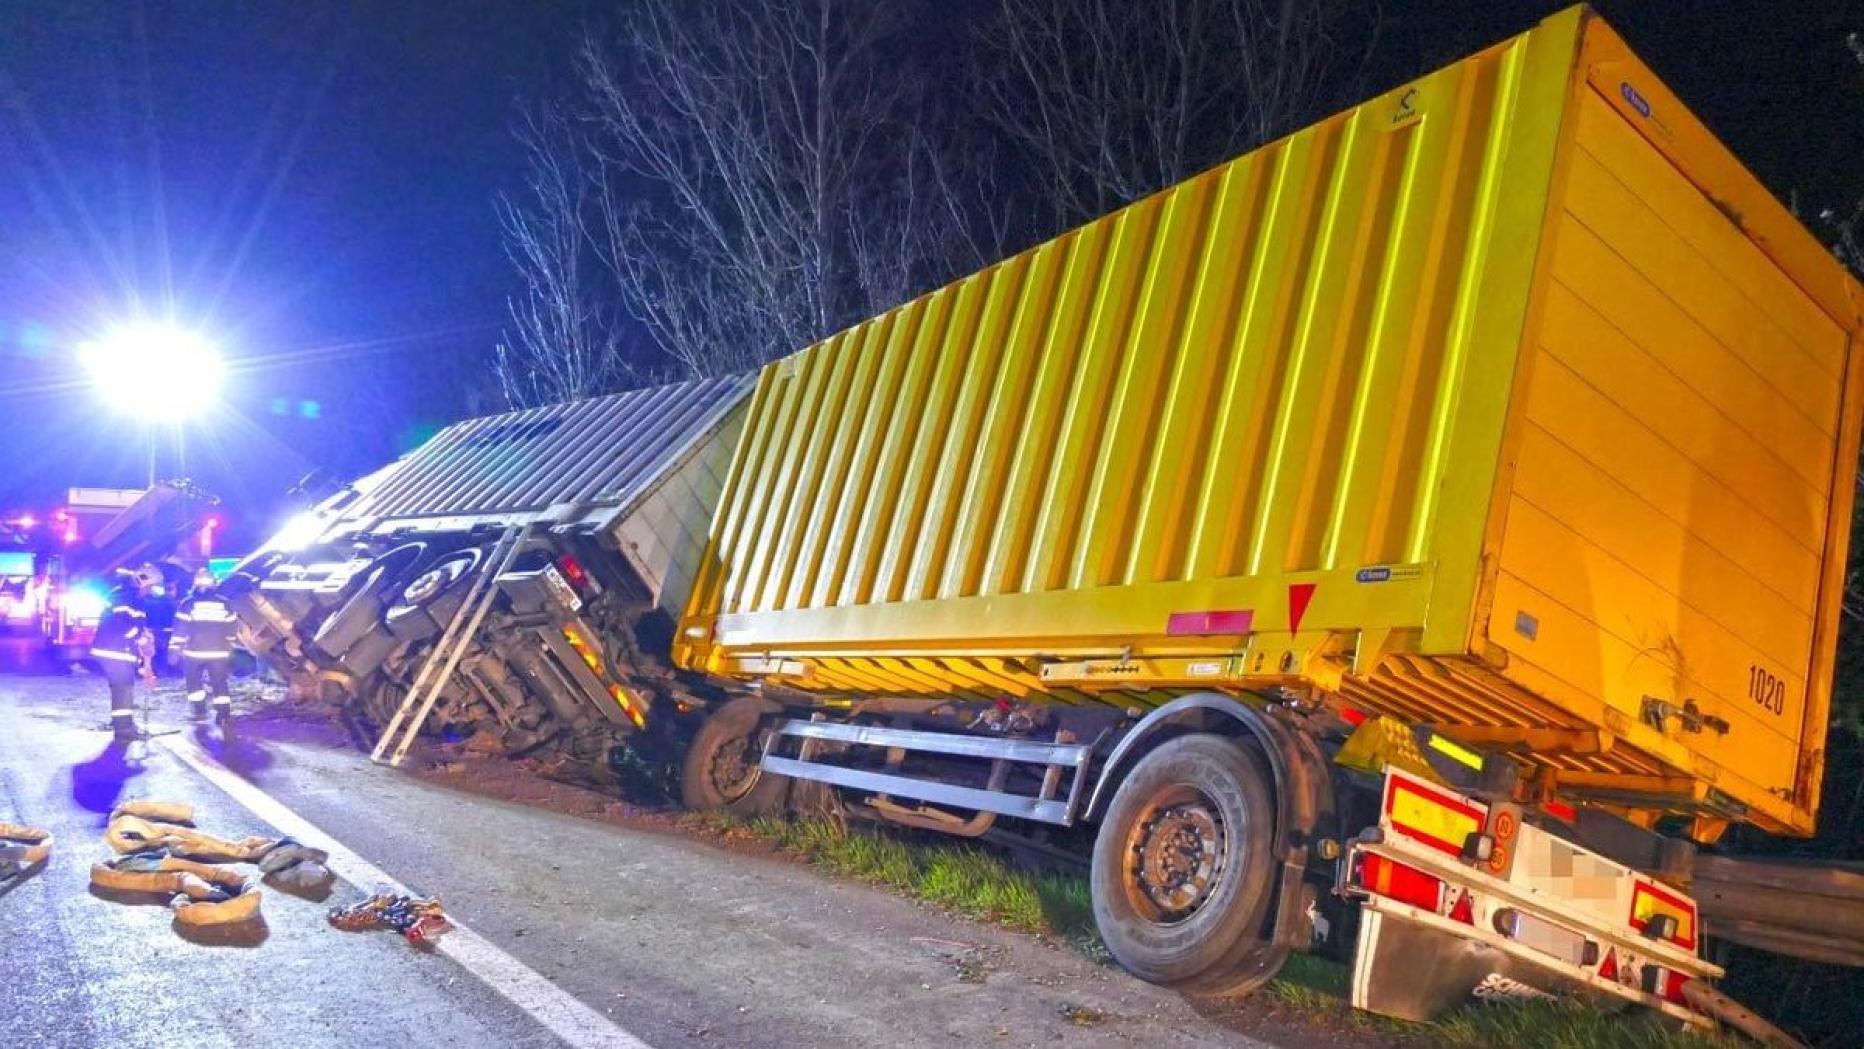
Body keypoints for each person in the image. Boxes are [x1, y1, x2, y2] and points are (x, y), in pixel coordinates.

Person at [89, 576, 154, 742]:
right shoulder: (134, 600)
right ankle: (124, 729)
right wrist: (141, 639)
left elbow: (117, 622)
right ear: (141, 585)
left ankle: (120, 722)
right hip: (119, 650)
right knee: (124, 688)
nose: (150, 591)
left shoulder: (116, 595)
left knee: (118, 688)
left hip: (104, 648)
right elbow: (131, 627)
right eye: (150, 587)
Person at [176, 569, 237, 723]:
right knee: (219, 682)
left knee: (193, 681)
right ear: (214, 584)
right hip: (219, 652)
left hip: (194, 652)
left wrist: (174, 648)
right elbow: (232, 626)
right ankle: (223, 714)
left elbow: (180, 628)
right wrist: (229, 641)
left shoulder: (188, 603)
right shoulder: (225, 603)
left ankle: (199, 711)